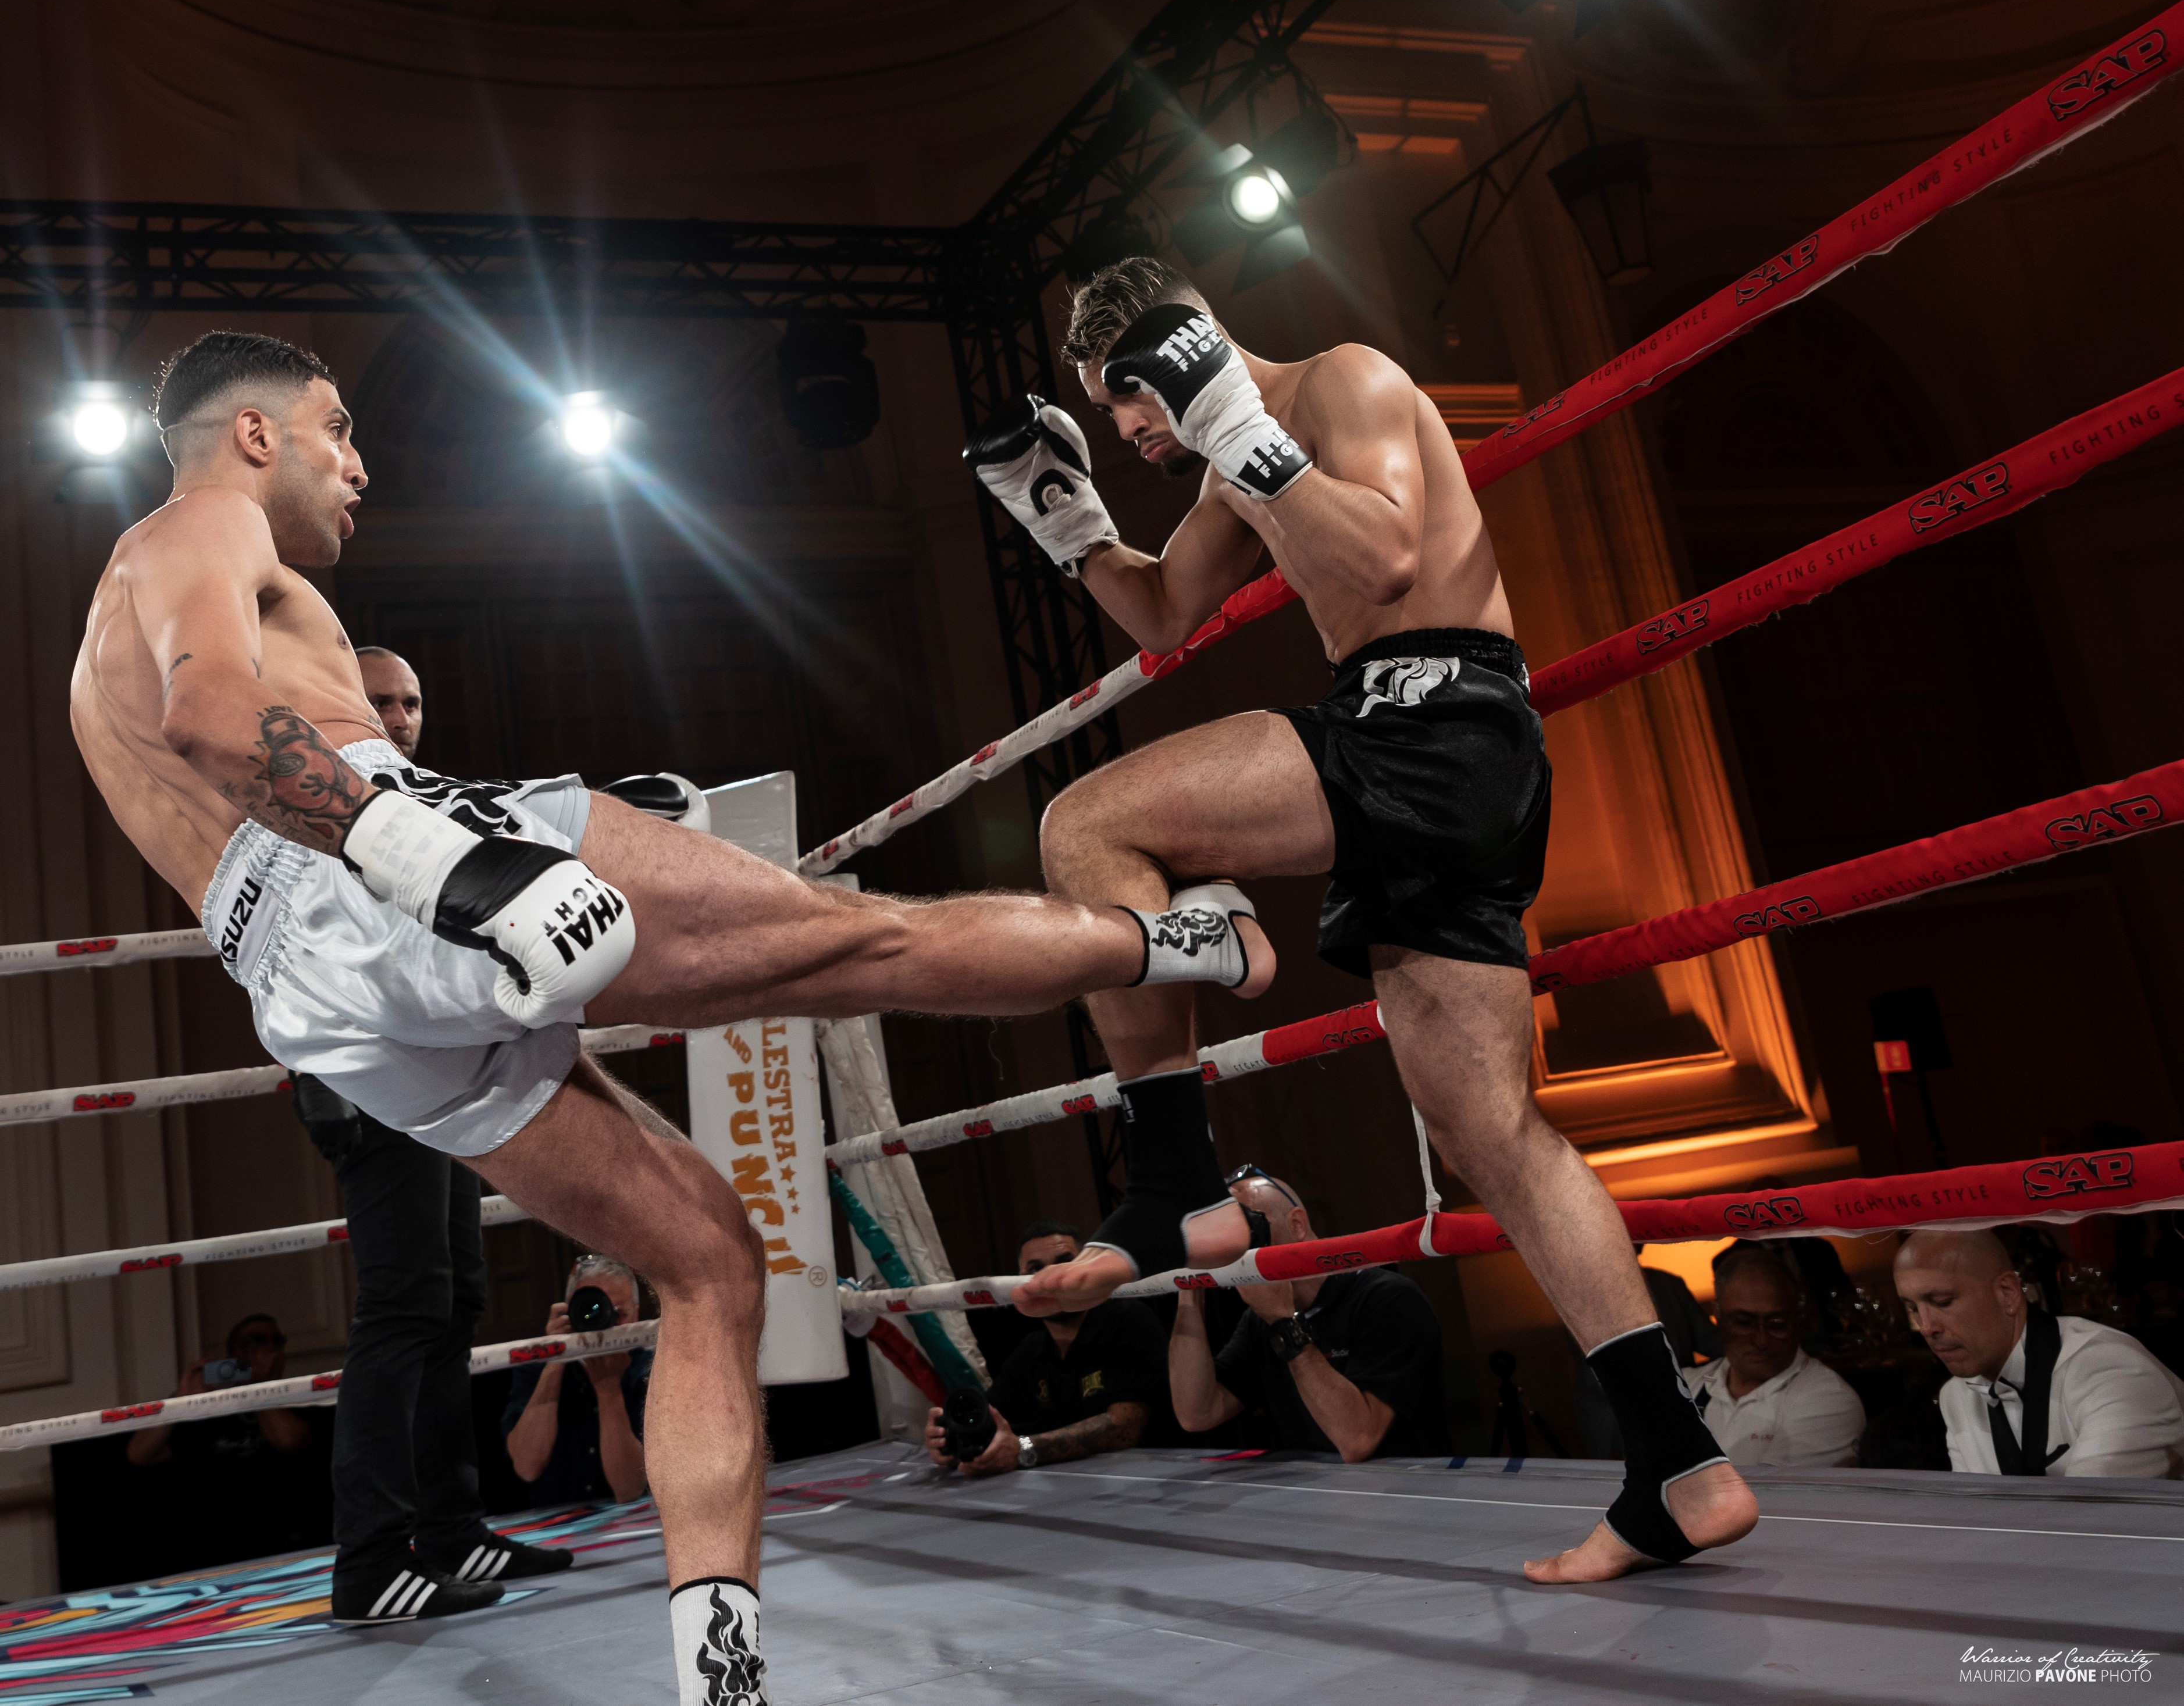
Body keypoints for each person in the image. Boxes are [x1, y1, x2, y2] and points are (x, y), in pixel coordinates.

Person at [69, 331, 1269, 1705]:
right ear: (256, 438)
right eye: (337, 430)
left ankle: (723, 1682)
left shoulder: (110, 631)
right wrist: (455, 865)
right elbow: (215, 715)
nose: (361, 462)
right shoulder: (199, 522)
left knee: (707, 1263)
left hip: (310, 994)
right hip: (373, 875)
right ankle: (1179, 936)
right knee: (862, 942)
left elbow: (225, 759)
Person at [977, 259, 1754, 1577]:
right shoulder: (1238, 456)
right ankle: (1680, 1467)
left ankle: (1171, 1177)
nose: (1142, 436)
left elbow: (1386, 555)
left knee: (1085, 826)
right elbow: (1167, 619)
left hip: (1437, 714)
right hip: (1422, 748)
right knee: (1490, 1133)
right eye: (1120, 431)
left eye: (1136, 412)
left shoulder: (1343, 382)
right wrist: (1070, 527)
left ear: (1184, 349)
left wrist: (1238, 432)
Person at [293, 642, 573, 1625]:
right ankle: (370, 1562)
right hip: (371, 1078)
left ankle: (452, 1531)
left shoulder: (413, 803)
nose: (401, 716)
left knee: (454, 1297)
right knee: (405, 1306)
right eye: (380, 699)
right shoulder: (313, 801)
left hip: (437, 1074)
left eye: (411, 699)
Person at [1168, 1170, 1448, 1461]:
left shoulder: (1388, 1299)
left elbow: (1357, 1440)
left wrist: (1284, 1323)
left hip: (1405, 1493)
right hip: (1310, 1495)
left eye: (1247, 1228)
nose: (1237, 1248)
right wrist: (1190, 1285)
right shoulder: (1259, 1320)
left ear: (1297, 1224)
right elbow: (1196, 1414)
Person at [1894, 1229, 2184, 1479]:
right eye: (1913, 1309)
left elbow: (2092, 1517)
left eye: (1943, 1302)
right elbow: (1977, 1517)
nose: (1926, 1327)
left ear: (2007, 1293)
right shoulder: (1955, 1396)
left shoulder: (2111, 1370)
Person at [921, 1221, 1165, 1477]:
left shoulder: (1128, 1320)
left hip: (1150, 1479)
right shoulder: (1031, 1349)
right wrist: (951, 1436)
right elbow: (989, 1416)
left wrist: (1023, 1449)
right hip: (1068, 1486)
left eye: (1063, 1263)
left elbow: (1124, 1429)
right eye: (1036, 1269)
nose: (1051, 1278)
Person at [125, 1314, 323, 1566]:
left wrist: (256, 1387)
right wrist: (178, 1400)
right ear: (233, 1353)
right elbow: (139, 1454)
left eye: (277, 1341)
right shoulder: (208, 1410)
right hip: (213, 1553)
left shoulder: (302, 1398)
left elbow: (290, 1441)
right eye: (257, 1341)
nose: (270, 1348)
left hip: (284, 1550)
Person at [1688, 1246, 1864, 1469]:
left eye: (1777, 1325)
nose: (1761, 1340)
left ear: (1797, 1320)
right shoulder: (1686, 1384)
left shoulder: (1830, 1398)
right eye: (1744, 1322)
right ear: (1718, 1316)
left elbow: (1770, 1495)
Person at [504, 1256, 653, 1505]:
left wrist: (609, 1392)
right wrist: (557, 1358)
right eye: (591, 1309)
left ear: (637, 1315)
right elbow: (527, 1467)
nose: (604, 1323)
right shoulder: (536, 1365)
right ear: (569, 1310)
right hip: (554, 1532)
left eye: (618, 1313)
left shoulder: (650, 1368)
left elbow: (629, 1490)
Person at [1571, 1246, 1721, 1458]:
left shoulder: (1668, 1284)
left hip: (1677, 1415)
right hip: (1619, 1426)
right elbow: (1599, 1379)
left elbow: (1713, 1344)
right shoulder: (1585, 1296)